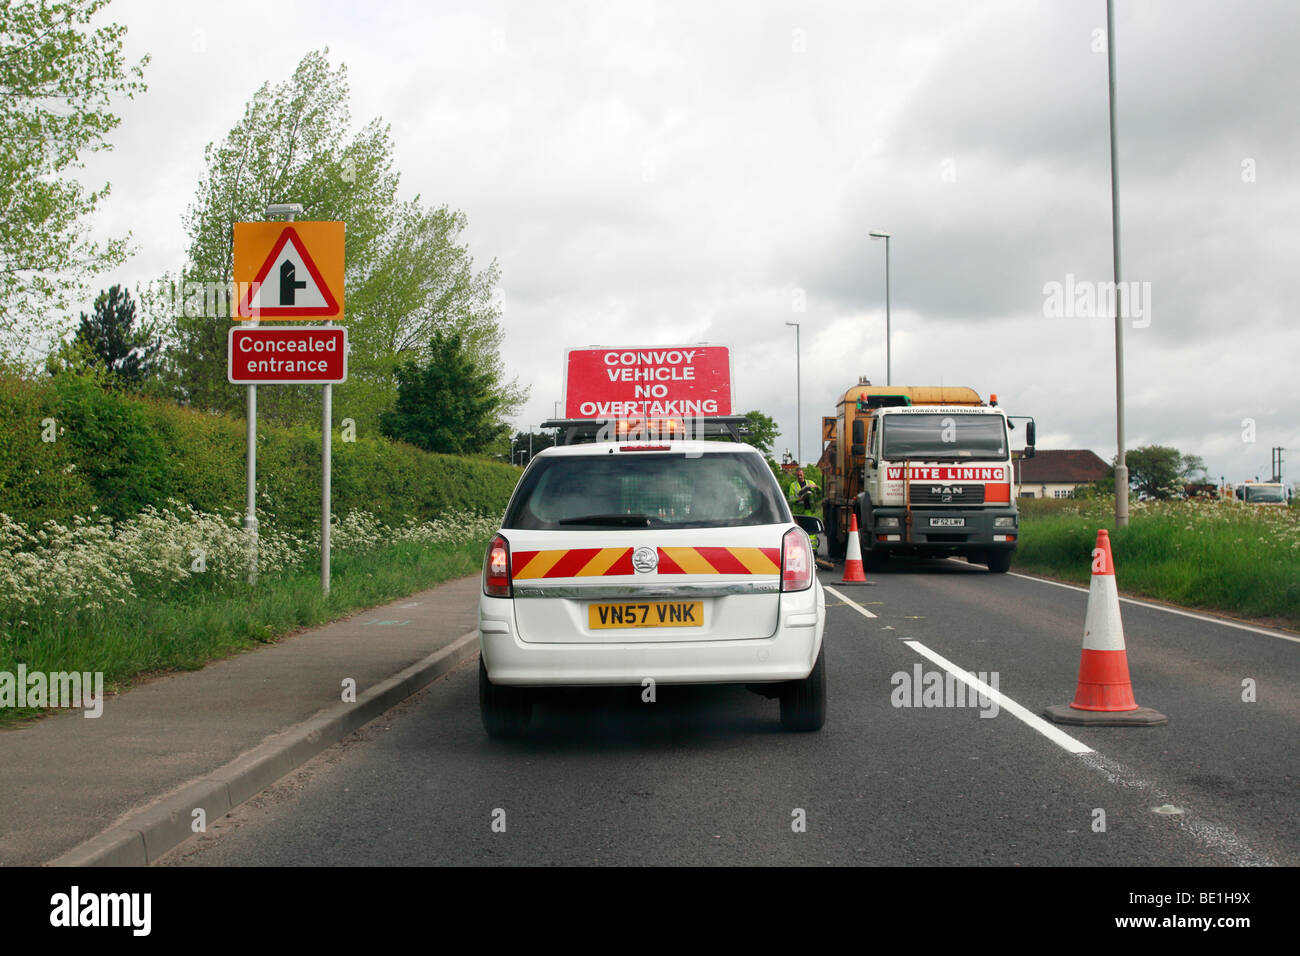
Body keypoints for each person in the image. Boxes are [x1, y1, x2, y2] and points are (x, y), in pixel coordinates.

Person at [787, 468, 820, 551]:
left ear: (803, 474)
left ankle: (813, 549)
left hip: (810, 511)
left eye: (801, 475)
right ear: (796, 476)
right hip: (799, 512)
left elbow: (819, 492)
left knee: (811, 530)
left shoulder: (810, 482)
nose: (800, 476)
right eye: (798, 475)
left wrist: (815, 487)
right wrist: (799, 499)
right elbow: (791, 499)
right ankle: (800, 549)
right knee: (799, 531)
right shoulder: (793, 485)